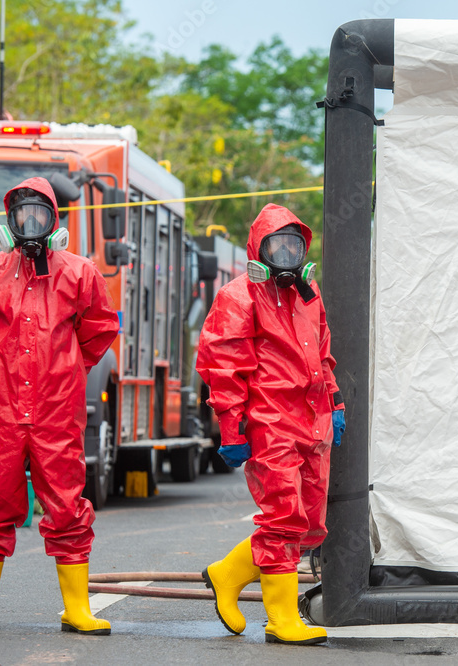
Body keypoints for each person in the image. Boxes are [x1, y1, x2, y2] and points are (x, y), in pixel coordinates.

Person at [0, 177, 119, 635]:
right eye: (22, 215)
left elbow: (101, 329)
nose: (31, 223)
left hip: (56, 409)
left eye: (39, 215)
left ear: (53, 220)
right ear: (9, 220)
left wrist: (66, 368)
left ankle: (78, 609)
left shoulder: (80, 272)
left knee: (66, 502)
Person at [196, 203, 346, 645]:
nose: (285, 252)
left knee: (310, 525)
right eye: (276, 244)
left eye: (292, 244)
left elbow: (323, 355)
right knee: (282, 518)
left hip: (313, 423)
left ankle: (227, 574)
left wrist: (333, 404)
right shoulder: (238, 296)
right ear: (258, 249)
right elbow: (223, 366)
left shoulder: (308, 293)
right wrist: (232, 427)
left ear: (303, 248)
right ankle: (282, 620)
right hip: (269, 423)